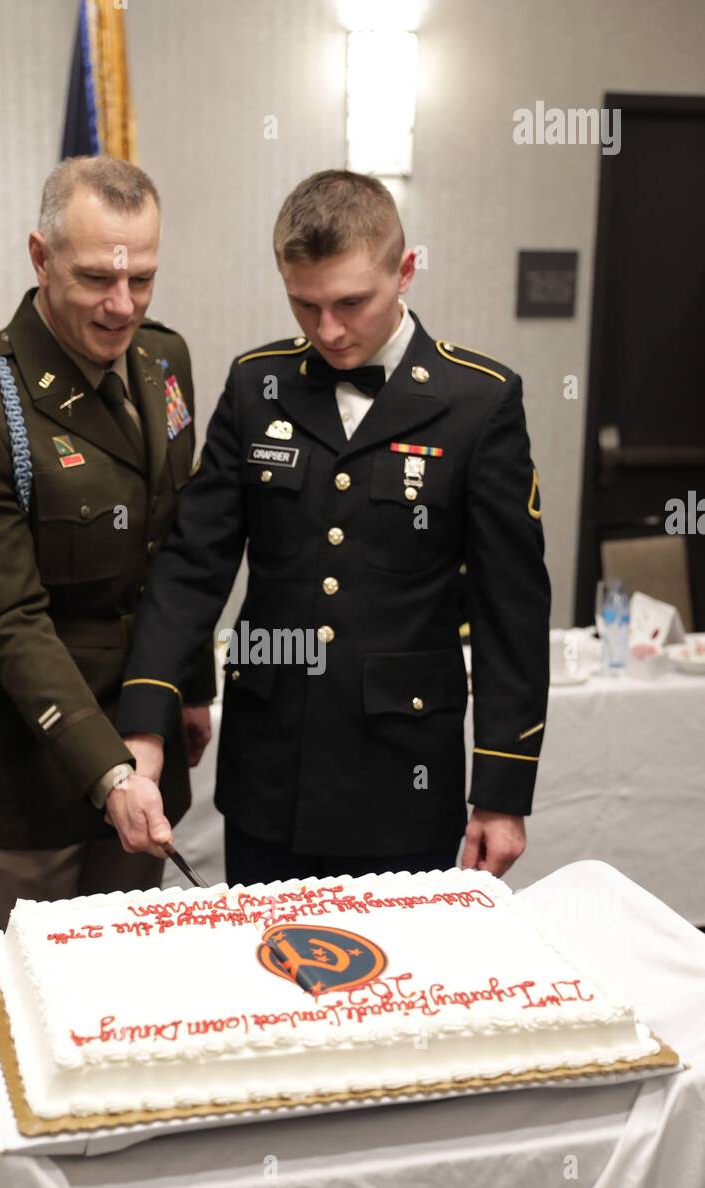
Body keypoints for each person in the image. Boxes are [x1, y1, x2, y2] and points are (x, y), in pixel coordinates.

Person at [106, 169, 551, 884]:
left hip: (401, 774)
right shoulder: (259, 384)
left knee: (396, 986)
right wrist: (144, 725)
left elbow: (512, 609)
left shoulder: (480, 402)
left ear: (405, 272)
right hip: (267, 771)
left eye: (352, 303)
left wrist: (501, 792)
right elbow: (195, 562)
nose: (329, 330)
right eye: (304, 305)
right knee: (262, 972)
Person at [0, 155, 214, 937]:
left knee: (128, 988)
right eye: (94, 280)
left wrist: (191, 685)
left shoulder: (164, 358)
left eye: (142, 279)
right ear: (40, 258)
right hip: (25, 769)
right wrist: (106, 770)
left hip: (147, 736)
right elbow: (7, 614)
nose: (122, 307)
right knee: (20, 1005)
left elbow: (174, 539)